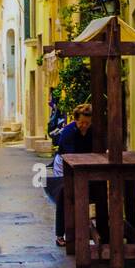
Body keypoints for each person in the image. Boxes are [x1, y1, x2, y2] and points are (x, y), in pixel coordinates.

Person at [50, 103, 93, 246]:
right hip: (64, 165)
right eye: (81, 122)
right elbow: (70, 157)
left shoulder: (92, 131)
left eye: (87, 123)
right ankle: (60, 234)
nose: (84, 126)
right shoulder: (68, 132)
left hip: (85, 165)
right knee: (64, 195)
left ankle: (88, 230)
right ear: (75, 120)